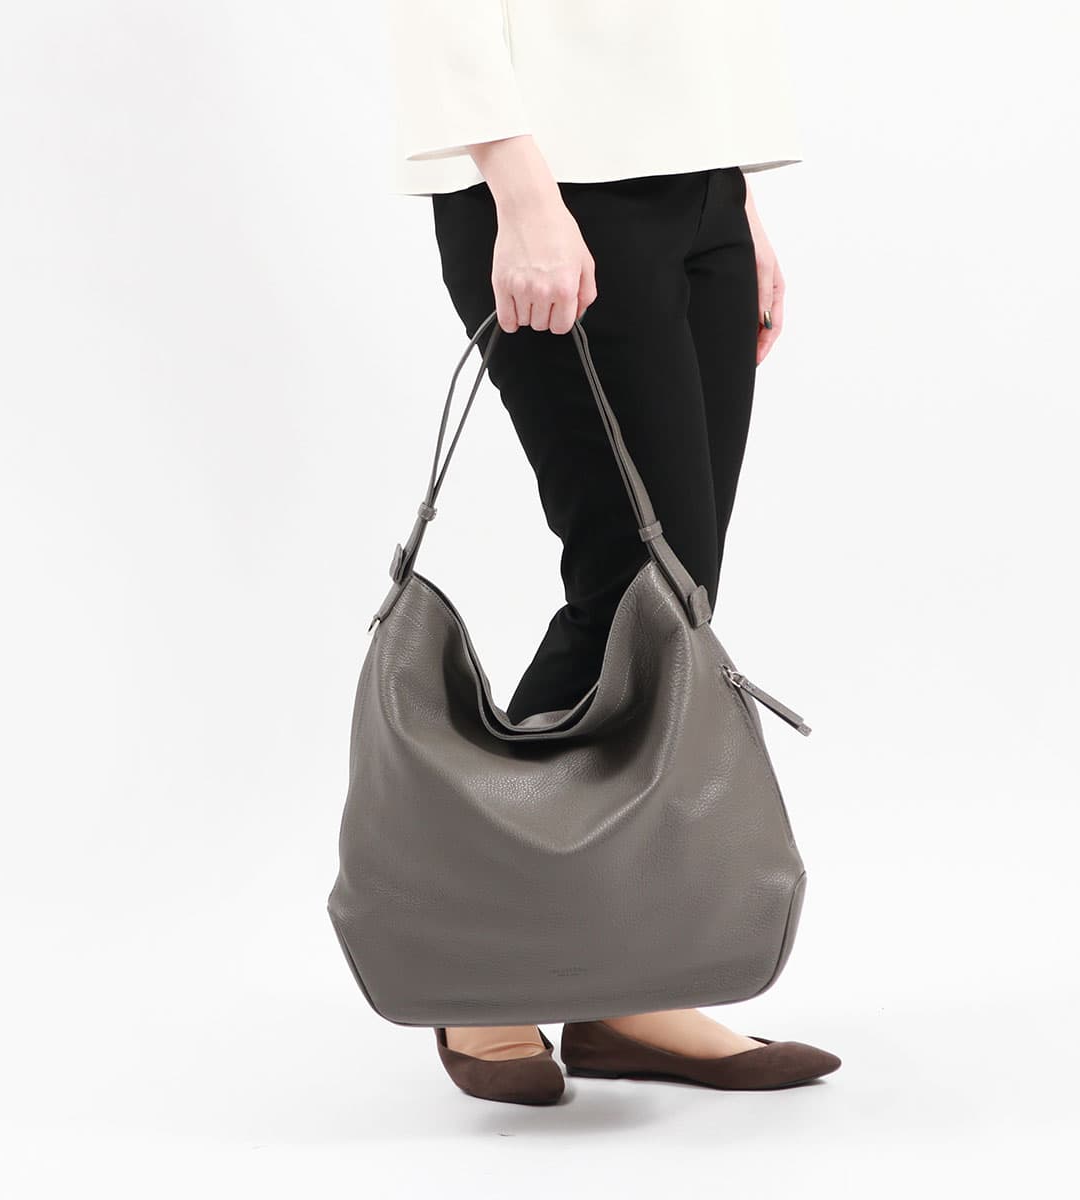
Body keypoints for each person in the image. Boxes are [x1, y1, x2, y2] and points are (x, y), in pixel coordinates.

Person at [385, 0, 841, 1104]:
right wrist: (519, 190)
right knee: (624, 586)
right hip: (558, 190)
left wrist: (733, 199)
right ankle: (479, 969)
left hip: (699, 182)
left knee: (671, 608)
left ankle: (621, 985)